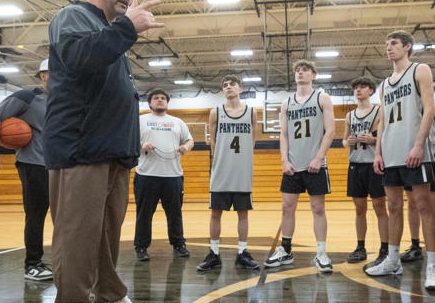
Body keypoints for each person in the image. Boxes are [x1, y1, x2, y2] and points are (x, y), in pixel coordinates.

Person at [46, 0, 162, 303]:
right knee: (77, 236)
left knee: (106, 234)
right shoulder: (73, 17)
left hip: (112, 151)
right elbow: (81, 58)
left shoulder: (109, 31)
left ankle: (108, 299)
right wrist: (129, 27)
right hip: (81, 149)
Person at [366, 30, 435, 291]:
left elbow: (430, 108)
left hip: (414, 150)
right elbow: (384, 121)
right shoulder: (385, 84)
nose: (389, 48)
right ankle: (392, 260)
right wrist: (378, 153)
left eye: (394, 44)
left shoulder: (420, 70)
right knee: (394, 207)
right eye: (386, 44)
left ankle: (432, 265)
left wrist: (419, 144)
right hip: (390, 152)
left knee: (424, 206)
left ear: (407, 46)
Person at [0, 59, 52, 282]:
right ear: (42, 75)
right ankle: (32, 264)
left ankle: (61, 260)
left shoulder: (68, 100)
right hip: (34, 164)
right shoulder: (27, 96)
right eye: (52, 72)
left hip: (61, 165)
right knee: (36, 214)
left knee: (65, 217)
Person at [265, 60, 335, 273]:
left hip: (315, 164)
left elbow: (330, 131)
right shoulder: (287, 103)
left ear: (313, 75)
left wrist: (318, 158)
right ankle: (286, 250)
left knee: (318, 209)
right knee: (287, 208)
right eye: (297, 70)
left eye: (305, 70)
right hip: (293, 166)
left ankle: (321, 252)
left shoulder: (322, 98)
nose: (300, 73)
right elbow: (284, 134)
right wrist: (284, 160)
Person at [197, 75, 259, 271]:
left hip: (242, 170)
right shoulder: (215, 112)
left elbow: (253, 140)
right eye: (225, 85)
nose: (228, 87)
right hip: (221, 170)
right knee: (216, 213)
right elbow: (213, 141)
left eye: (232, 84)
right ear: (222, 91)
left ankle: (243, 252)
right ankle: (214, 253)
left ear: (240, 89)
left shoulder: (251, 112)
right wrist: (217, 160)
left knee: (243, 213)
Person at [134, 88, 194, 261]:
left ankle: (179, 244)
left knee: (175, 213)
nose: (159, 100)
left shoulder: (177, 122)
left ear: (167, 102)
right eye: (155, 98)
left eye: (162, 98)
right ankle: (141, 247)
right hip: (146, 176)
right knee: (144, 214)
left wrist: (186, 147)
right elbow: (130, 141)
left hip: (173, 176)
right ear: (150, 103)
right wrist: (142, 145)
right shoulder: (140, 121)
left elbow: (190, 140)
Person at [342, 76, 389, 266]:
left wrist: (373, 139)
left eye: (362, 87)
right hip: (355, 165)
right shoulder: (349, 116)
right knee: (359, 208)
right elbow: (344, 141)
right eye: (356, 87)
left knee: (379, 207)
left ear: (371, 91)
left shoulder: (379, 111)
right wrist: (349, 142)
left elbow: (385, 136)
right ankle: (360, 247)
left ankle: (385, 248)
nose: (358, 90)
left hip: (374, 164)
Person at [403, 101, 435, 268]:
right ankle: (415, 246)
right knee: (412, 204)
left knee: (434, 204)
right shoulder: (407, 104)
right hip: (410, 159)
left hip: (433, 158)